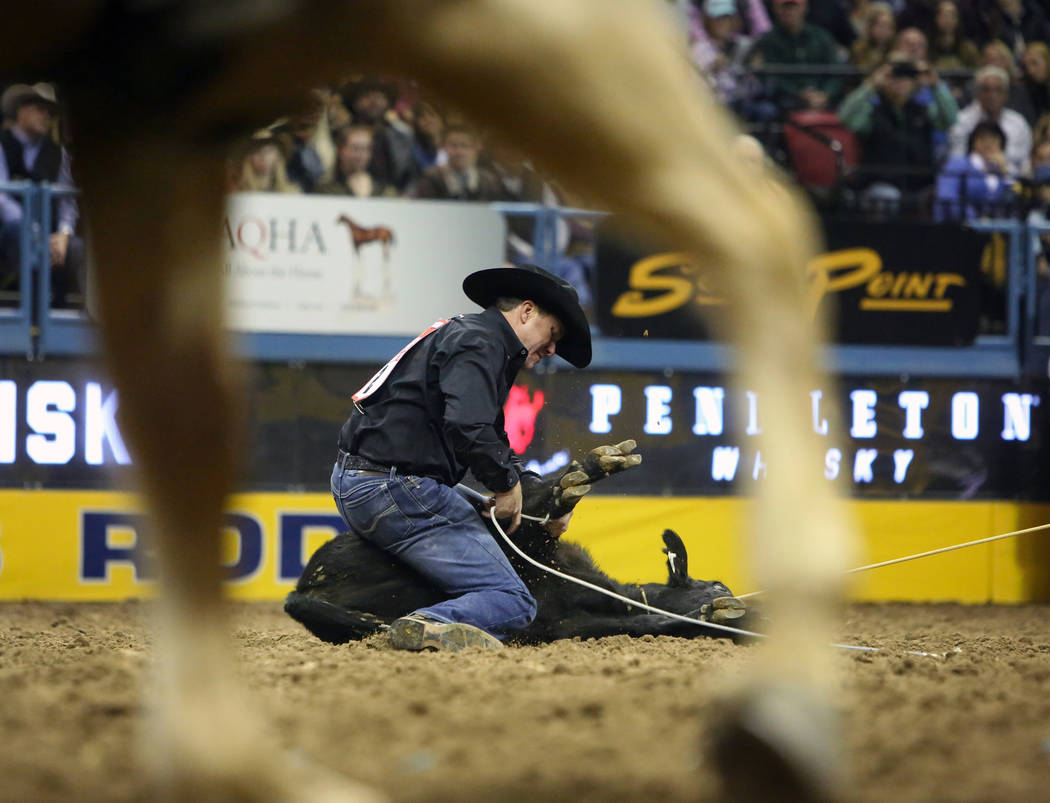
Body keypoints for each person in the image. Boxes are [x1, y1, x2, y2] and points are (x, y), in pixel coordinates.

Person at [331, 263, 591, 651]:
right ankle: (427, 624)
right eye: (553, 334)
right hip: (394, 486)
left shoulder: (471, 336)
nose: (553, 349)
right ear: (526, 311)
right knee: (513, 601)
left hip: (366, 481)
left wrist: (532, 489)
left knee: (492, 516)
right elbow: (469, 427)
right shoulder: (481, 343)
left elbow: (488, 434)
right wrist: (505, 485)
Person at [0, 82, 85, 306]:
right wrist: (35, 231)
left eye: (51, 112)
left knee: (75, 249)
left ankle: (61, 311)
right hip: (10, 232)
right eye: (41, 109)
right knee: (18, 236)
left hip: (49, 237)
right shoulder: (2, 144)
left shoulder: (58, 154)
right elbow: (1, 197)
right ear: (22, 111)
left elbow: (67, 200)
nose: (48, 116)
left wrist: (64, 233)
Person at [838, 53, 958, 211]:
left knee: (942, 197)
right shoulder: (873, 113)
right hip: (881, 184)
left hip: (921, 184)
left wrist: (936, 85)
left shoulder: (923, 111)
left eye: (905, 77)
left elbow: (950, 118)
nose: (899, 82)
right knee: (888, 196)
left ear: (913, 83)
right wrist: (870, 85)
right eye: (893, 77)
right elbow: (845, 118)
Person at [750, 0, 843, 112]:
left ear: (804, 7)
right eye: (785, 7)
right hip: (785, 102)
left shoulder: (821, 37)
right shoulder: (769, 41)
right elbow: (772, 77)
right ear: (776, 9)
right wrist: (800, 93)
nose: (790, 12)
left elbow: (836, 73)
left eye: (794, 7)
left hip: (824, 100)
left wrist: (825, 94)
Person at [949, 65, 1033, 175]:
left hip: (1010, 180)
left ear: (1006, 95)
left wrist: (1004, 166)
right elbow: (956, 158)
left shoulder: (1018, 123)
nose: (992, 95)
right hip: (971, 179)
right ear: (977, 93)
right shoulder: (962, 120)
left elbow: (1024, 163)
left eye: (998, 90)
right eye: (986, 90)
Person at [936, 119, 1019, 220]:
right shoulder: (957, 164)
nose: (988, 143)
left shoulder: (1006, 172)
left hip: (999, 229)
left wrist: (1005, 171)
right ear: (973, 142)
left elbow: (1014, 201)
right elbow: (947, 197)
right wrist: (975, 220)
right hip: (963, 227)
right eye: (983, 138)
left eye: (994, 138)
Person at [409, 123, 504, 200]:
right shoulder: (431, 178)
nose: (459, 152)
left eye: (465, 146)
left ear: (476, 148)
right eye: (453, 145)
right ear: (444, 147)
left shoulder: (489, 181)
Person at [316, 124, 396, 197]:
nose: (361, 155)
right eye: (355, 148)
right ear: (340, 150)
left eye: (366, 149)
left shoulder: (384, 190)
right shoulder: (325, 189)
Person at [849, 2, 897, 72]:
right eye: (881, 26)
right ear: (870, 27)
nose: (884, 30)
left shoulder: (895, 49)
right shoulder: (859, 48)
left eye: (889, 27)